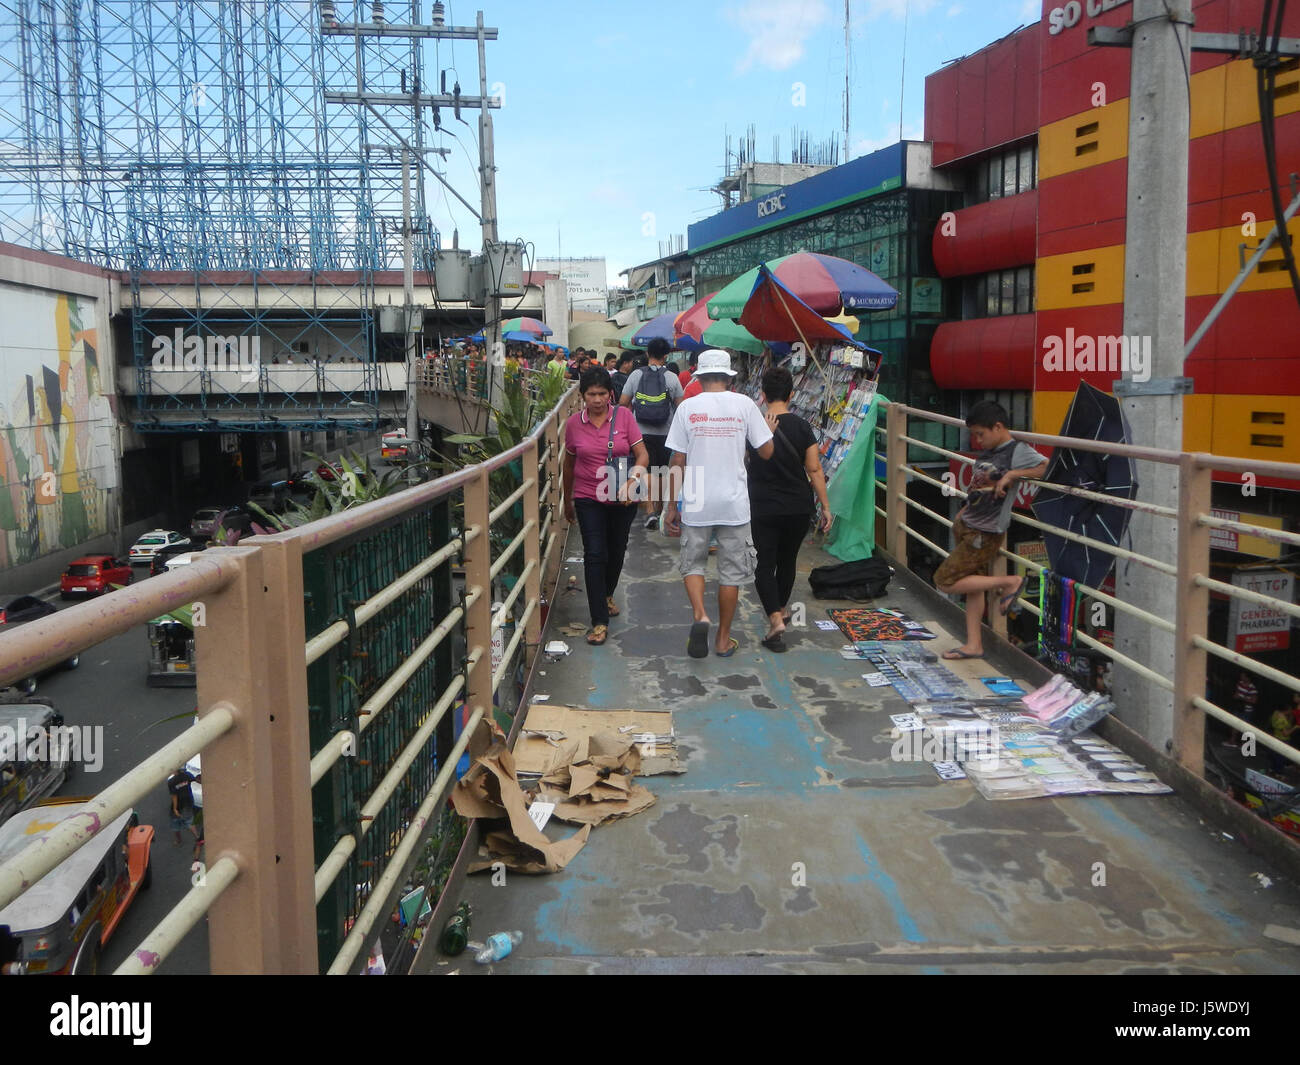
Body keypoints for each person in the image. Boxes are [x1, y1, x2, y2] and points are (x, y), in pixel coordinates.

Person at [663, 349, 774, 658]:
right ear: (729, 378)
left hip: (697, 499)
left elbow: (677, 460)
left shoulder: (688, 407)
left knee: (694, 563)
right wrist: (768, 432)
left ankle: (700, 615)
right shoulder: (745, 405)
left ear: (698, 377)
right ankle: (723, 640)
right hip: (734, 502)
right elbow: (766, 452)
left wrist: (672, 505)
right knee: (731, 574)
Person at [934, 400, 1048, 660]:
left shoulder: (1016, 450)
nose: (977, 440)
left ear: (997, 427)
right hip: (969, 524)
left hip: (985, 533)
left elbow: (1046, 466)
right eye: (974, 434)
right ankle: (974, 644)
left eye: (980, 434)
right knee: (973, 588)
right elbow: (977, 487)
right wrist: (963, 511)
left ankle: (1010, 581)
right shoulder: (990, 450)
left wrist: (1012, 475)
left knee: (944, 581)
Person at [563, 367, 650, 646]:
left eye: (602, 394)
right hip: (589, 497)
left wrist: (633, 480)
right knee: (594, 554)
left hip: (622, 496)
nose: (597, 400)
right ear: (582, 395)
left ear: (610, 394)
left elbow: (642, 454)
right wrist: (568, 500)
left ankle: (607, 593)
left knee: (616, 551)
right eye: (591, 394)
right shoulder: (574, 424)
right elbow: (568, 463)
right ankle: (599, 621)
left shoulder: (624, 416)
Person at [748, 366, 833, 652]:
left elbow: (746, 462)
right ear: (792, 395)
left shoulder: (756, 425)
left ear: (762, 395)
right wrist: (826, 506)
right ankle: (782, 609)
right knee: (787, 562)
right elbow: (814, 469)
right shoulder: (802, 426)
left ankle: (775, 618)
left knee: (764, 563)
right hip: (798, 506)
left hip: (764, 506)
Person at [620, 337, 684, 529]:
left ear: (647, 354)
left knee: (645, 470)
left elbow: (623, 403)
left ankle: (650, 511)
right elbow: (680, 406)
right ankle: (660, 508)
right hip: (666, 433)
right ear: (666, 356)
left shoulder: (635, 376)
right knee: (663, 471)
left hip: (640, 433)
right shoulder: (672, 377)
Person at [168, 765, 202, 857]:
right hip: (188, 802)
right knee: (190, 821)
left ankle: (179, 840)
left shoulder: (171, 781)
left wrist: (175, 808)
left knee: (175, 822)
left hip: (179, 805)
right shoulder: (187, 775)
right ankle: (198, 838)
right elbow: (195, 779)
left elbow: (174, 796)